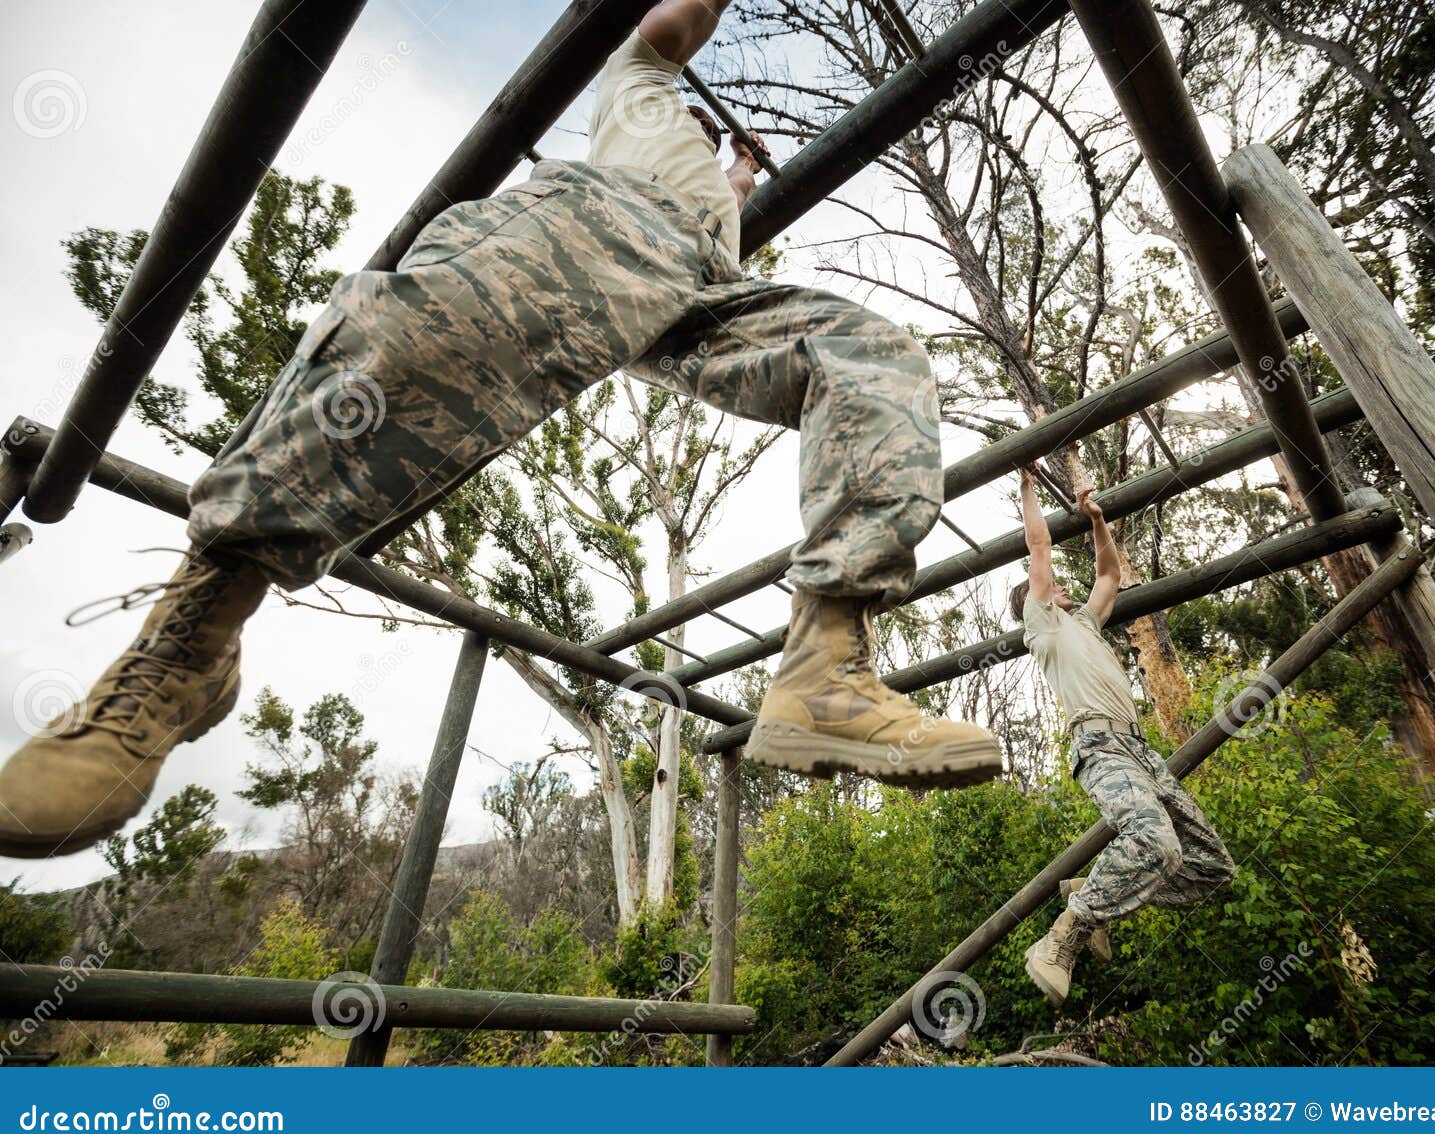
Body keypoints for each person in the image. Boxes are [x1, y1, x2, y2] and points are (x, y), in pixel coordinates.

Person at [0, 0, 1003, 859]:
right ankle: (195, 636)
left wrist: (739, 179)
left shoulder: (720, 187)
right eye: (702, 131)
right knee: (420, 327)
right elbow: (673, 25)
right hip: (606, 223)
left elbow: (727, 208)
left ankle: (825, 662)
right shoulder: (638, 84)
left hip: (702, 287)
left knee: (874, 356)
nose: (706, 140)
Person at [1015, 464, 1234, 1005]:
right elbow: (1038, 546)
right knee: (1155, 841)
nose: (1062, 586)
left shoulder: (1085, 625)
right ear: (1035, 598)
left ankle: (1092, 891)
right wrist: (1026, 484)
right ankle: (1063, 937)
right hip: (1100, 746)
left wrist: (1098, 519)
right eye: (1051, 585)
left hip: (1139, 749)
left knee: (1211, 867)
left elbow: (1109, 576)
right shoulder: (1040, 623)